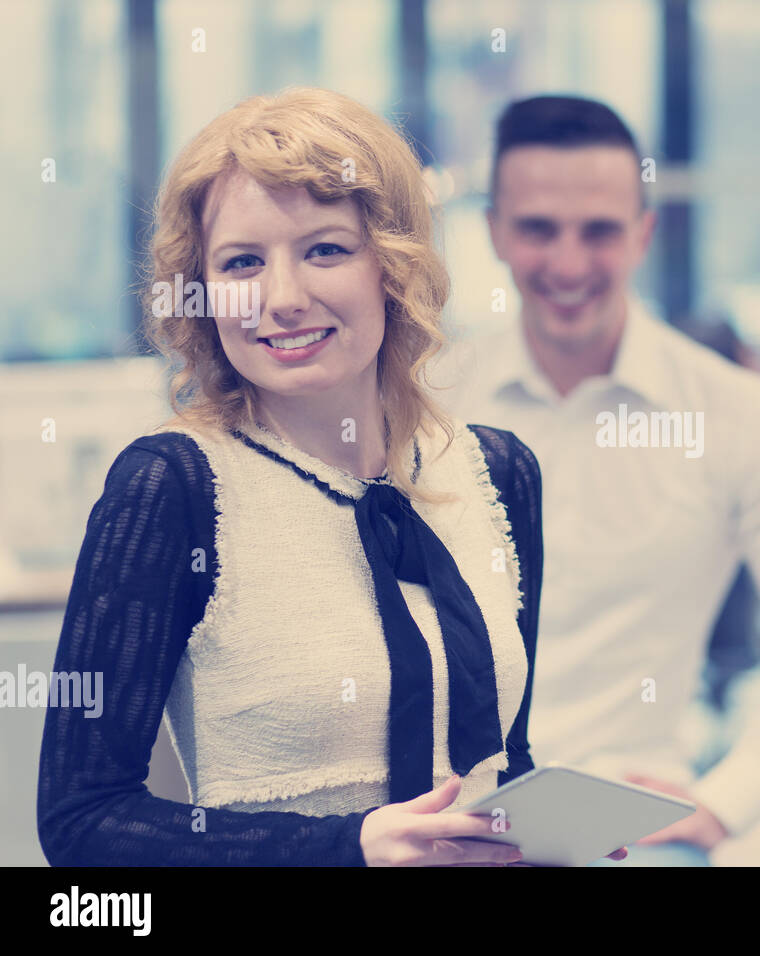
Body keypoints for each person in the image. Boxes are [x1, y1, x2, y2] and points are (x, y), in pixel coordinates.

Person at [36, 87, 627, 866]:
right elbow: (83, 821)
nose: (283, 299)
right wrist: (347, 847)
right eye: (243, 262)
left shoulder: (499, 471)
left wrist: (551, 840)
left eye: (325, 250)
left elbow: (502, 761)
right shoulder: (172, 488)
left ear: (394, 265)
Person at [436, 95, 760, 865]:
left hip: (624, 830)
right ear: (494, 232)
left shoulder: (740, 415)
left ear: (643, 234)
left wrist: (727, 801)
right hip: (443, 825)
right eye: (539, 229)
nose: (569, 264)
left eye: (600, 231)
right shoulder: (423, 401)